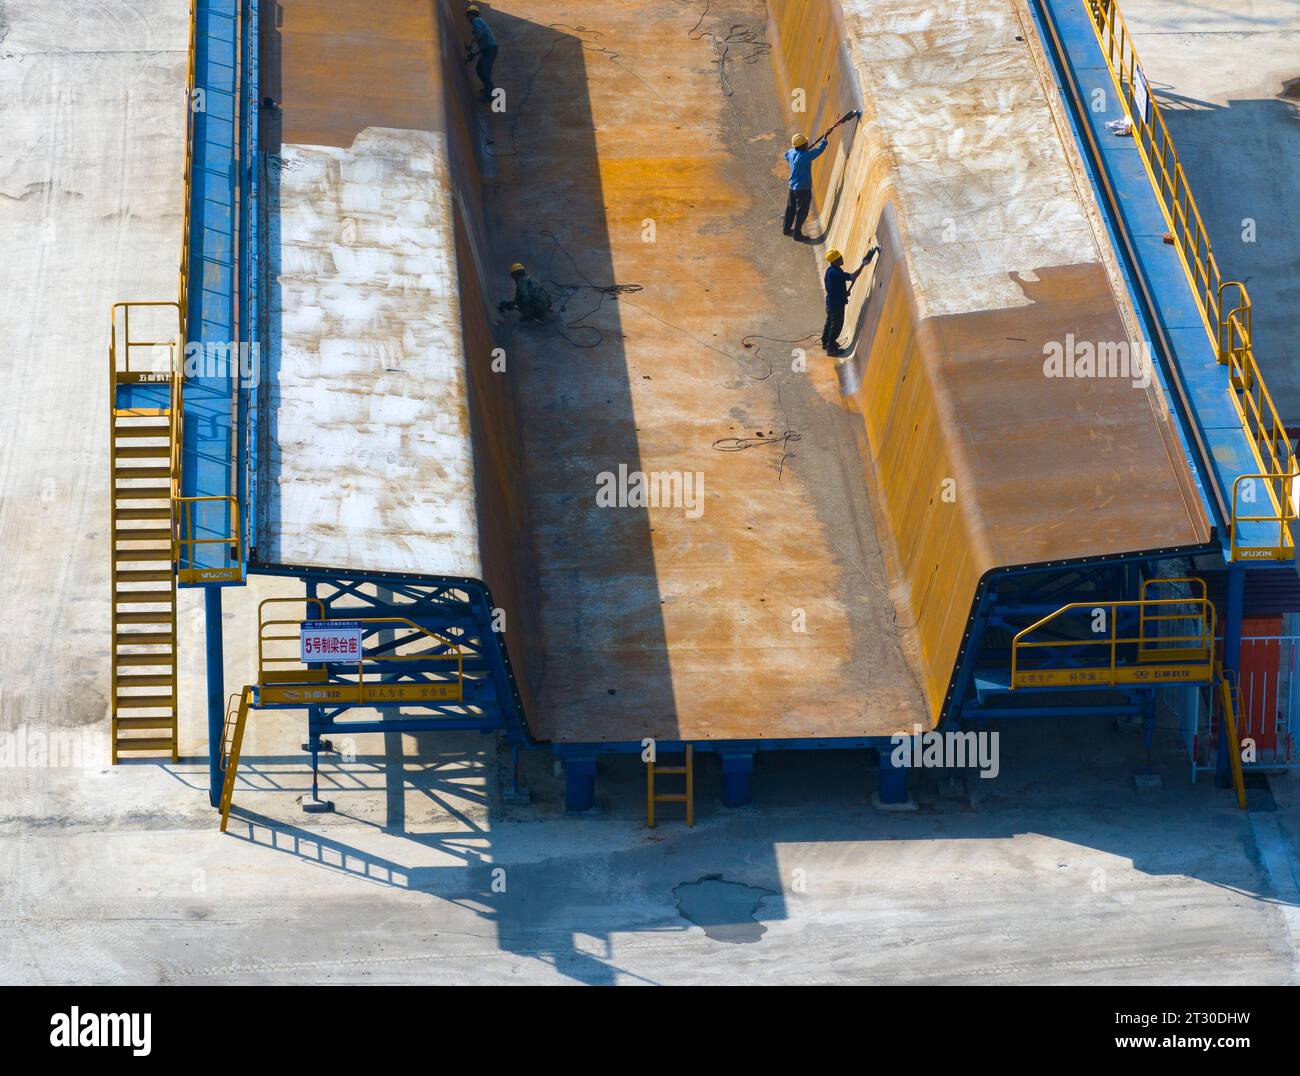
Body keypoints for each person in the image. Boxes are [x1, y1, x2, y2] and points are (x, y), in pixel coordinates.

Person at [821, 246, 879, 356]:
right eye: (840, 258)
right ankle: (831, 348)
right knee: (836, 325)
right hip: (836, 304)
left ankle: (825, 342)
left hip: (831, 302)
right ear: (835, 261)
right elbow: (853, 276)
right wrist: (863, 264)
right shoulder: (835, 273)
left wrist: (843, 293)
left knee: (829, 323)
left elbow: (833, 286)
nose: (842, 258)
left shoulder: (831, 270)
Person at [464, 5, 498, 102]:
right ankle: (488, 89)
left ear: (470, 14)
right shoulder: (480, 21)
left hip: (490, 50)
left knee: (483, 71)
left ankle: (490, 94)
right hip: (489, 50)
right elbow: (483, 45)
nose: (468, 19)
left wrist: (470, 44)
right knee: (480, 69)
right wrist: (474, 55)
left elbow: (480, 34)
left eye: (467, 17)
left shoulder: (476, 21)